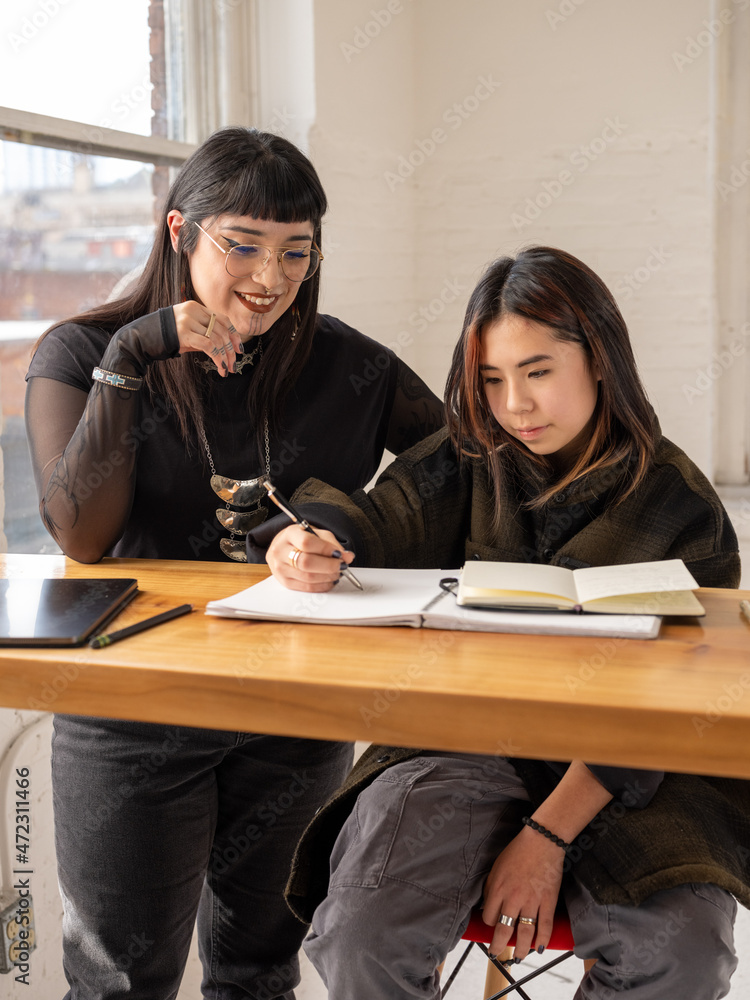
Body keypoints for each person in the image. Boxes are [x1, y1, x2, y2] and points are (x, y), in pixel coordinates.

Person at [262, 246, 748, 1000]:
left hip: (622, 771)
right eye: (491, 380)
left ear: (601, 360)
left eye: (538, 371)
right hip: (458, 745)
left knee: (684, 951)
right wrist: (309, 537)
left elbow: (671, 711)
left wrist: (546, 837)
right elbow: (374, 513)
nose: (514, 405)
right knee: (362, 932)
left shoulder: (682, 507)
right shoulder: (467, 458)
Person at [24, 126, 444, 999]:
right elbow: (80, 535)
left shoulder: (349, 363)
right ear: (180, 233)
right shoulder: (84, 350)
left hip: (295, 711)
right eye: (241, 244)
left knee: (258, 973)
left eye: (297, 252)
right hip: (132, 711)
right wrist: (134, 354)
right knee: (117, 981)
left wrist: (341, 516)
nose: (270, 277)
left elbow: (459, 459)